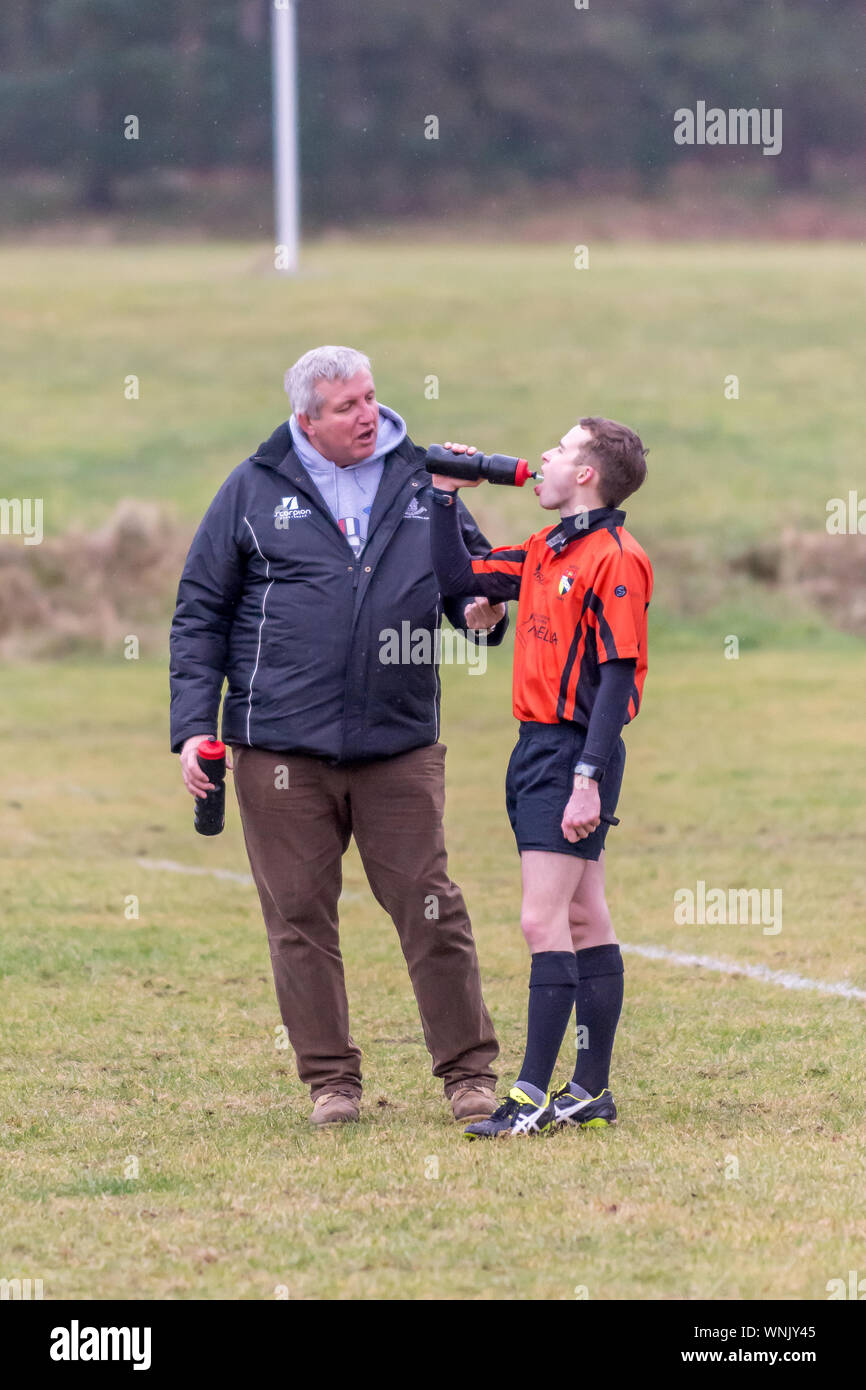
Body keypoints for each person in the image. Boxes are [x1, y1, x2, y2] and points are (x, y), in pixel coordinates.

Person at [170, 345, 508, 1126]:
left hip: (399, 745)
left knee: (431, 906)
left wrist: (482, 616)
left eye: (371, 397)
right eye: (347, 407)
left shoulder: (424, 480)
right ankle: (331, 1083)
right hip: (278, 748)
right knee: (298, 918)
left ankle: (467, 1074)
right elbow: (200, 614)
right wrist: (193, 728)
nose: (368, 415)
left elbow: (475, 584)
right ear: (305, 421)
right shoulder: (252, 491)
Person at [429, 418, 652, 1139]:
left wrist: (588, 774)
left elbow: (618, 677)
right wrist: (443, 496)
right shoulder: (545, 549)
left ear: (586, 474)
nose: (545, 458)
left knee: (540, 919)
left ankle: (527, 1094)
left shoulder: (617, 557)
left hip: (572, 753)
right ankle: (589, 1090)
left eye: (560, 449)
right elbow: (461, 580)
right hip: (533, 748)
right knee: (585, 916)